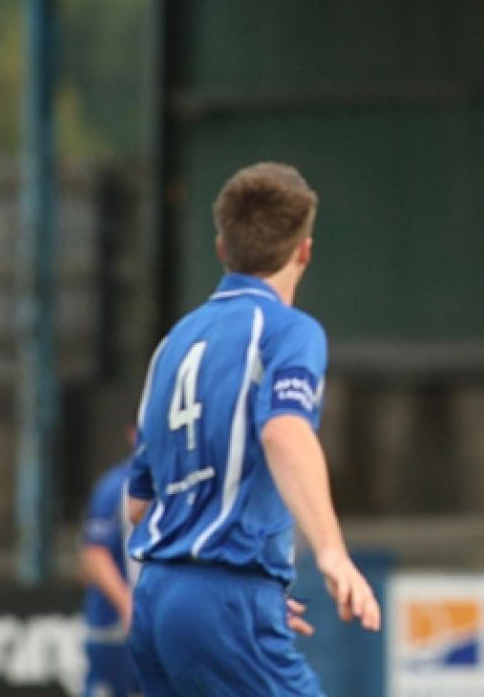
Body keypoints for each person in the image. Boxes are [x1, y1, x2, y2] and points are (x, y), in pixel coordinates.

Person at [125, 162, 381, 696]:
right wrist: (330, 552)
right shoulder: (288, 332)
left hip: (156, 600)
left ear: (222, 247)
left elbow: (138, 504)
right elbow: (284, 431)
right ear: (304, 251)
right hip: (224, 597)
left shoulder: (171, 345)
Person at [80, 425, 141, 697]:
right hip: (115, 630)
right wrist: (127, 604)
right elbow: (94, 555)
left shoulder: (178, 480)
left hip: (155, 624)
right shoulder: (116, 486)